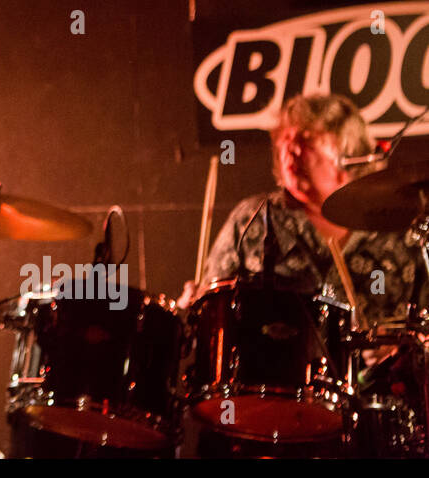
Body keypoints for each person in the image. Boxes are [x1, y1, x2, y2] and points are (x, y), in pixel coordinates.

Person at [181, 93, 425, 329]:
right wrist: (195, 305)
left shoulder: (399, 227)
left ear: (348, 153)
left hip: (376, 370)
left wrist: (395, 346)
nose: (290, 151)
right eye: (284, 141)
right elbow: (213, 307)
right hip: (275, 366)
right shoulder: (254, 218)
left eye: (305, 140)